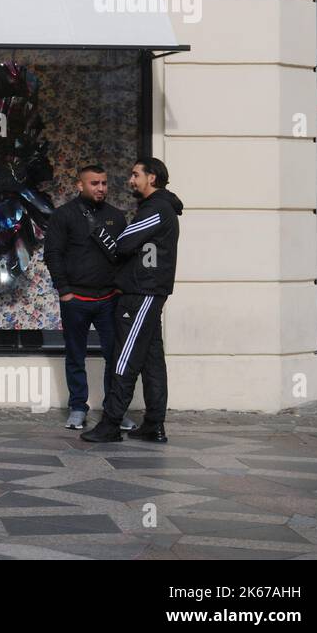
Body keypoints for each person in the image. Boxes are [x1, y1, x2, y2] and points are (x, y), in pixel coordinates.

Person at [81, 158, 183, 445]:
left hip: (142, 293)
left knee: (125, 358)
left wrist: (107, 236)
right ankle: (154, 425)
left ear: (152, 178)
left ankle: (111, 424)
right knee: (152, 361)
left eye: (135, 175)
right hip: (147, 292)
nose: (130, 180)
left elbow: (124, 242)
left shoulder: (156, 209)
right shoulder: (157, 208)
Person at [42, 165, 135, 431]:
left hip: (108, 299)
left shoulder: (116, 217)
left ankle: (114, 411)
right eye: (94, 183)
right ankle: (78, 408)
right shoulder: (63, 215)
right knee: (75, 355)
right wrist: (65, 291)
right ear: (80, 185)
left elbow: (125, 256)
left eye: (104, 183)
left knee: (115, 357)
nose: (101, 188)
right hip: (76, 300)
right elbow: (53, 254)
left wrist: (118, 288)